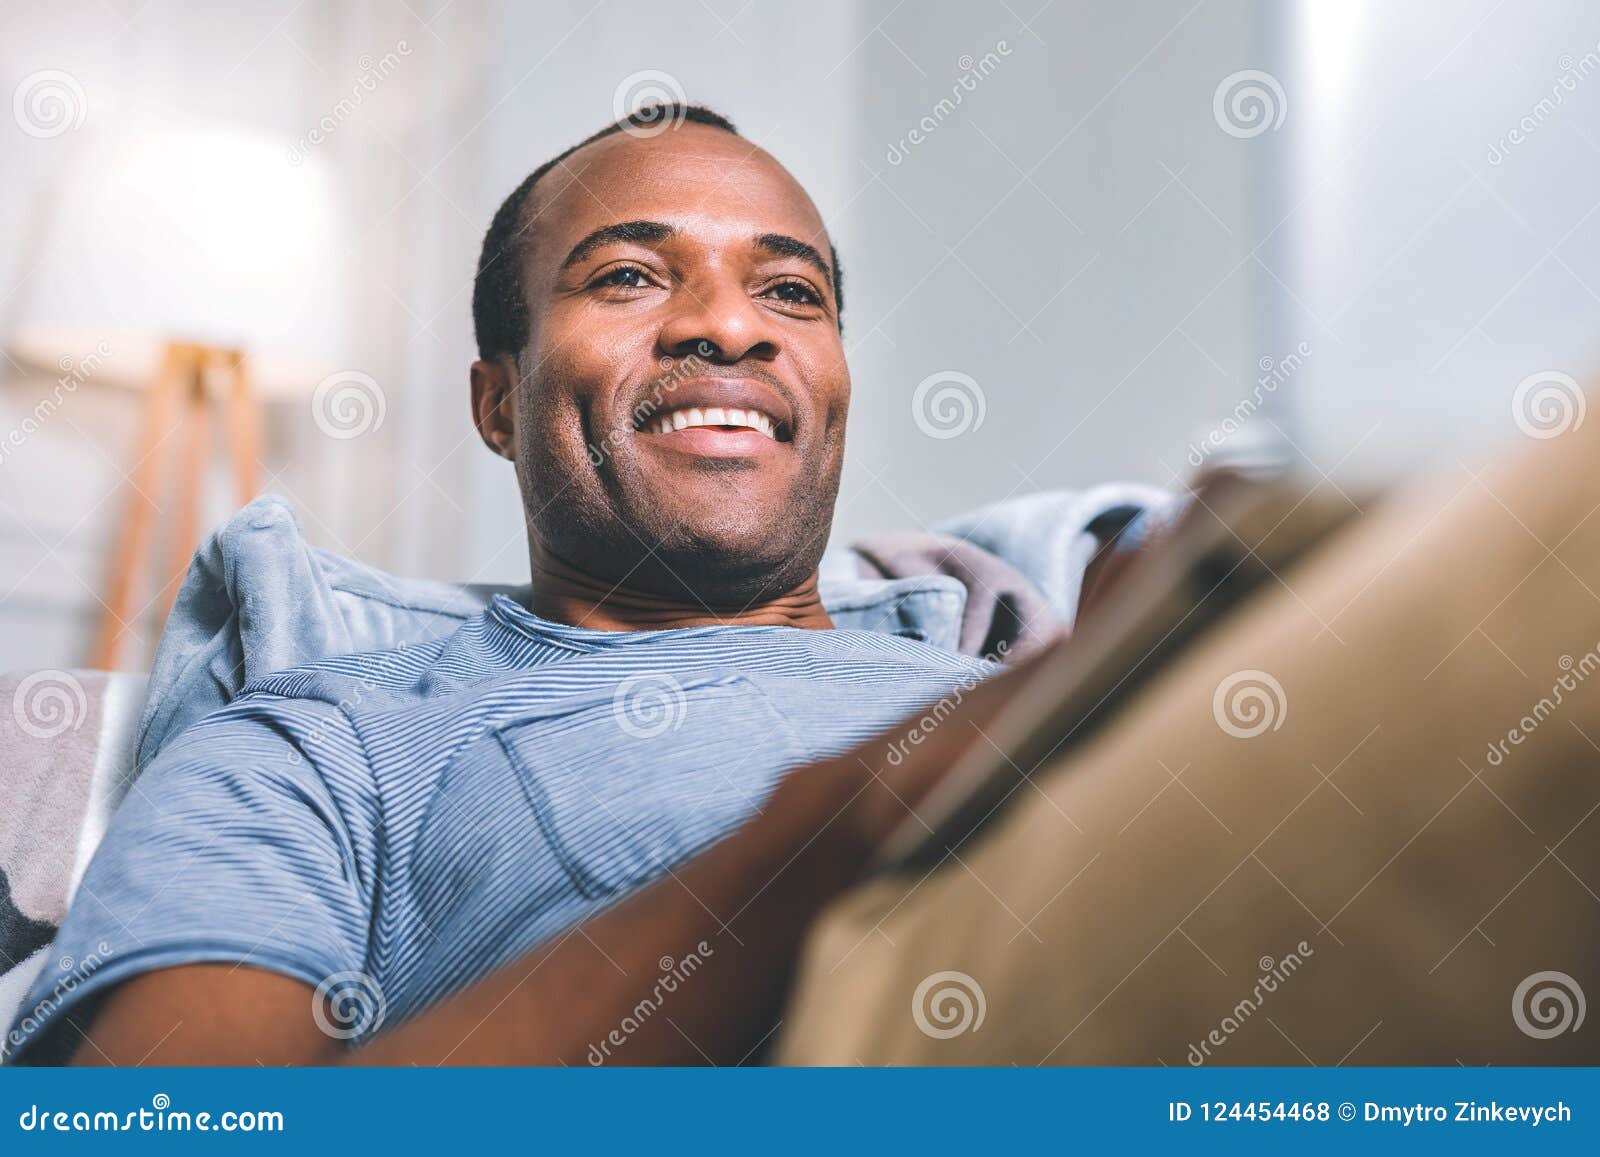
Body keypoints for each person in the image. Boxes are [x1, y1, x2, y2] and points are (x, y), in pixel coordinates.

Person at [4, 105, 1129, 1066]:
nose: (731, 326)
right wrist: (821, 843)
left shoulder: (1013, 664)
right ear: (498, 403)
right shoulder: (323, 745)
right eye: (629, 276)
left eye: (790, 290)